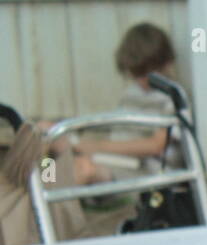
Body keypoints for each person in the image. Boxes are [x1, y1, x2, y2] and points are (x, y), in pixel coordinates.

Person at [44, 23, 182, 186]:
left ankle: (55, 207)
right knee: (47, 140)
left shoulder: (172, 97)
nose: (142, 80)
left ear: (166, 63)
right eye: (136, 73)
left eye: (147, 72)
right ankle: (41, 201)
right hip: (117, 162)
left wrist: (95, 146)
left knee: (84, 168)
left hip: (149, 173)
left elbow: (156, 145)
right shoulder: (131, 94)